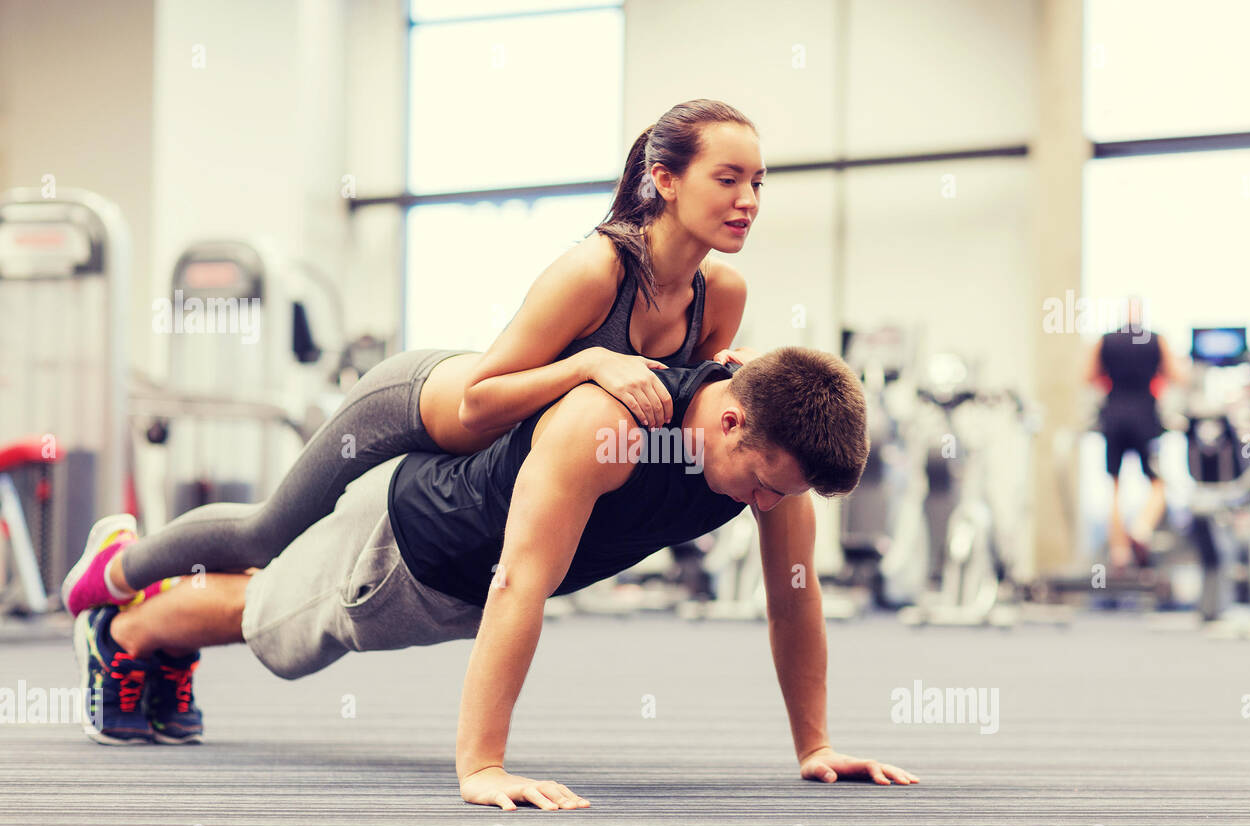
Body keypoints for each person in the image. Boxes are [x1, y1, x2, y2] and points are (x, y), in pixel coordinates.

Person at [62, 99, 765, 737]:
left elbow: (678, 408)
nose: (747, 200)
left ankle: (151, 621)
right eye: (728, 178)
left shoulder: (720, 295)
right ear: (665, 181)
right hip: (414, 404)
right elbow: (479, 400)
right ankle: (115, 567)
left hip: (481, 451)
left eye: (758, 183)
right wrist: (589, 365)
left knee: (281, 557)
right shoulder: (596, 271)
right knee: (264, 532)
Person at [73, 347, 918, 807]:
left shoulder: (771, 470)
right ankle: (123, 630)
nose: (770, 504)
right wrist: (482, 766)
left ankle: (142, 625)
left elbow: (794, 605)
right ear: (730, 416)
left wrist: (815, 745)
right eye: (765, 482)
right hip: (408, 548)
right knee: (271, 624)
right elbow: (520, 585)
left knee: (275, 611)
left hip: (472, 582)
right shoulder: (610, 426)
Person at [1084, 297, 1185, 568]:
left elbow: (1088, 375)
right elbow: (1177, 375)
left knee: (1114, 487)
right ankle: (1140, 529)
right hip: (1144, 416)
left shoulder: (1105, 341)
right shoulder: (1156, 340)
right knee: (1158, 483)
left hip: (1113, 415)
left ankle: (1119, 554)